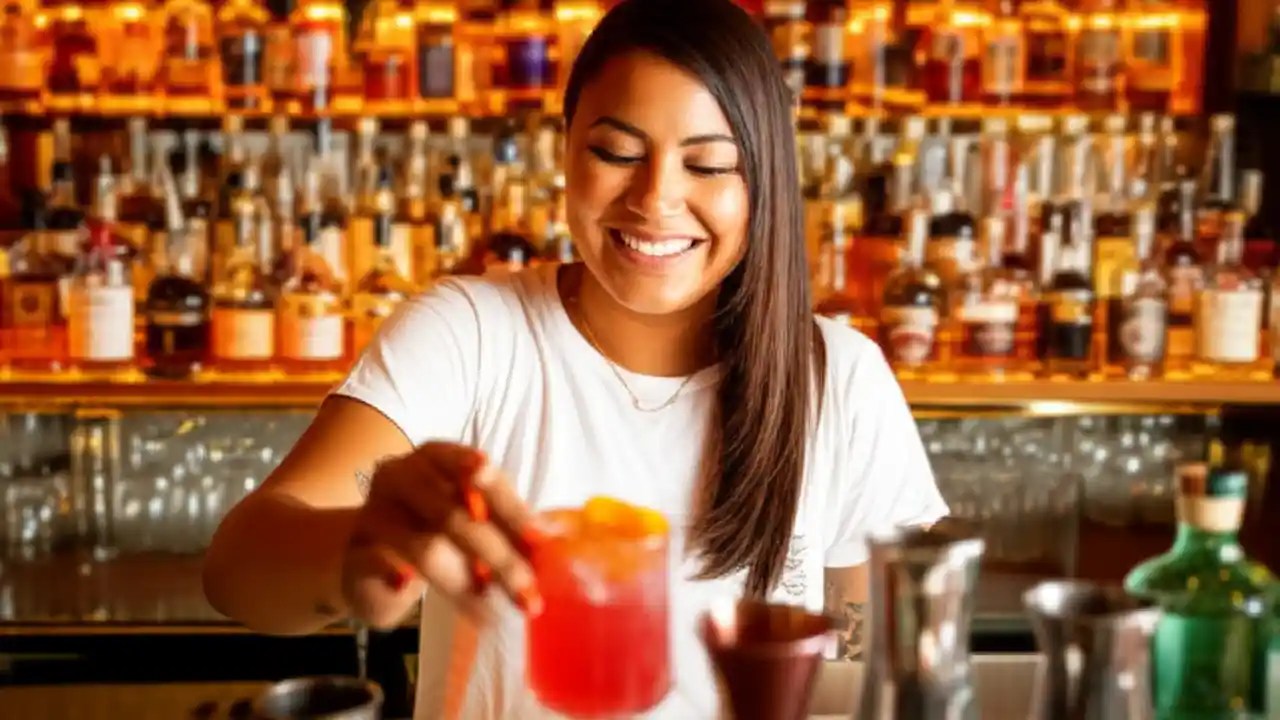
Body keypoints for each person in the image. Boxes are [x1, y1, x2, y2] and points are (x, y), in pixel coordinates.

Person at [202, 0, 948, 717]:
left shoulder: (840, 379)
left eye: (709, 166)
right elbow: (238, 570)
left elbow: (860, 664)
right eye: (616, 152)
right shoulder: (469, 334)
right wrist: (355, 547)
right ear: (566, 151)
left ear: (765, 184)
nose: (656, 200)